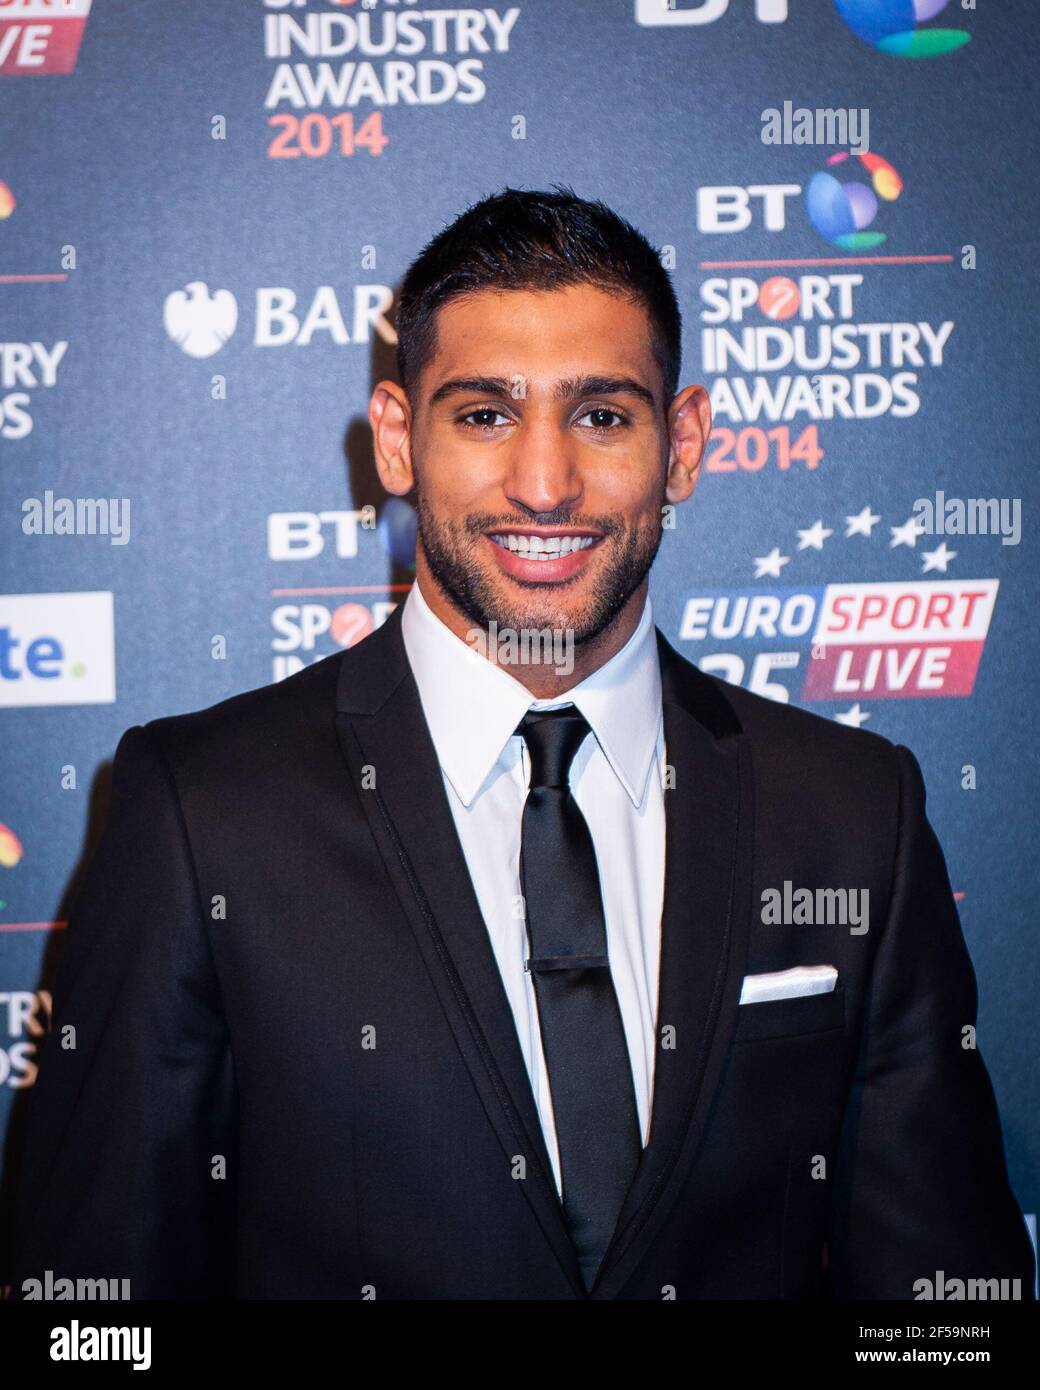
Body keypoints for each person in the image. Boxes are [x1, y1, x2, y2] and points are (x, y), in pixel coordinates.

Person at [10, 187, 1034, 1300]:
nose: (543, 483)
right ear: (398, 440)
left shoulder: (850, 813)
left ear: (681, 444)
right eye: (484, 414)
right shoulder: (200, 811)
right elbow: (91, 1309)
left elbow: (943, 1305)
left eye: (600, 414)